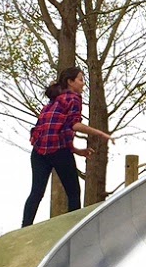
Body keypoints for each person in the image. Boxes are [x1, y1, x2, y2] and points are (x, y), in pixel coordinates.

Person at [22, 66, 114, 227]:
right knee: (73, 192)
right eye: (80, 79)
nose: (83, 84)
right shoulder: (73, 98)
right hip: (57, 151)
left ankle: (24, 228)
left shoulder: (55, 100)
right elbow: (74, 125)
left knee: (36, 192)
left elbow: (57, 129)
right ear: (70, 82)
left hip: (39, 152)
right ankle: (74, 230)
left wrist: (76, 151)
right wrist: (100, 133)